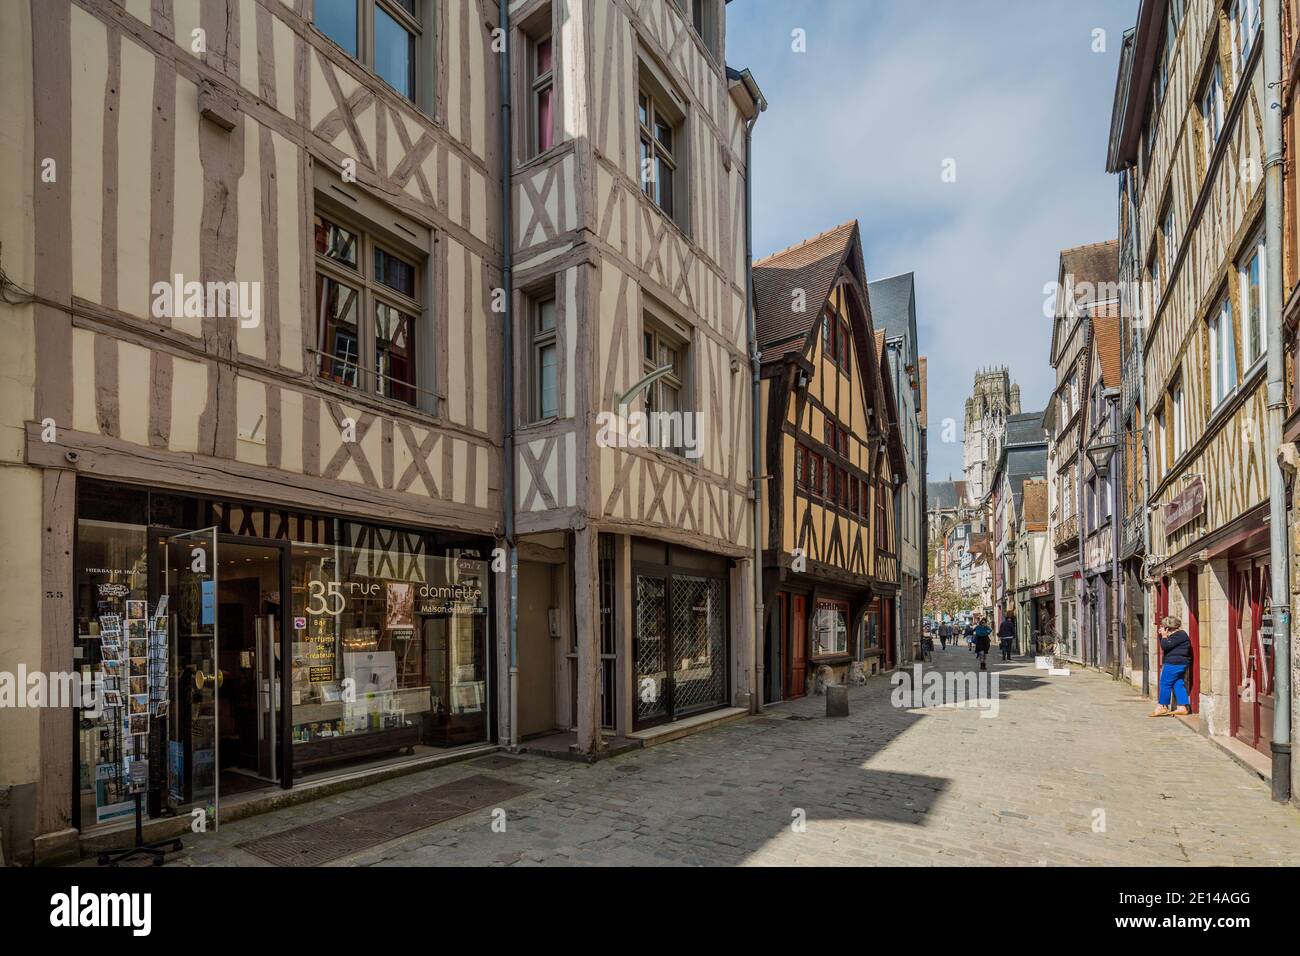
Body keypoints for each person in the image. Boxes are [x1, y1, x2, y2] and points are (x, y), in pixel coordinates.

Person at [1151, 615, 1192, 717]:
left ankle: (1162, 706)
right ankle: (1182, 707)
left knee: (1165, 683)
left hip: (1174, 664)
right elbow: (1167, 646)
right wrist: (1163, 637)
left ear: (1168, 627)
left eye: (1164, 626)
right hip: (1179, 664)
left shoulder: (1179, 635)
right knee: (1178, 684)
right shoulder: (1178, 635)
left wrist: (1164, 636)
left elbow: (1165, 646)